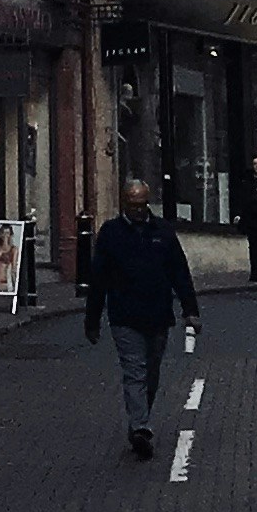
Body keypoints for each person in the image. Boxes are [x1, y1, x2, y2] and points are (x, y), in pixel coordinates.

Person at [85, 175, 201, 455]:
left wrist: (191, 310)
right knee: (134, 371)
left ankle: (139, 420)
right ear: (125, 203)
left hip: (158, 315)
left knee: (151, 374)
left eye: (143, 204)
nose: (139, 210)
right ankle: (140, 427)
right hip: (124, 317)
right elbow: (98, 278)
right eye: (134, 204)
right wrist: (92, 319)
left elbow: (179, 272)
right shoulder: (111, 234)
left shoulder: (162, 232)